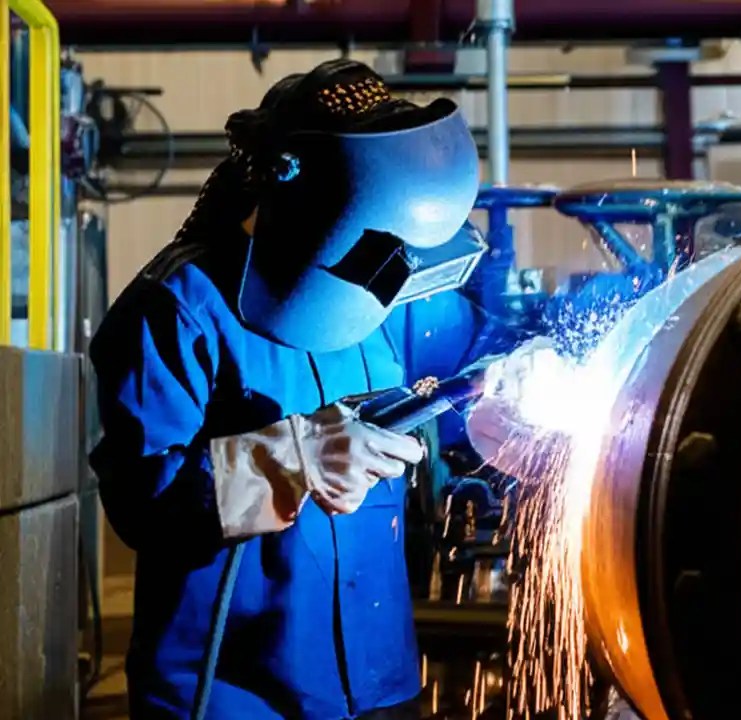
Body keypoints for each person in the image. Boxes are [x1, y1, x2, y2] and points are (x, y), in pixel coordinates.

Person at [90, 59, 505, 719]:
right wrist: (295, 459)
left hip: (377, 681)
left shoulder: (381, 293)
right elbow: (141, 503)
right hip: (233, 694)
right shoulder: (179, 307)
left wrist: (494, 411)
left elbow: (434, 407)